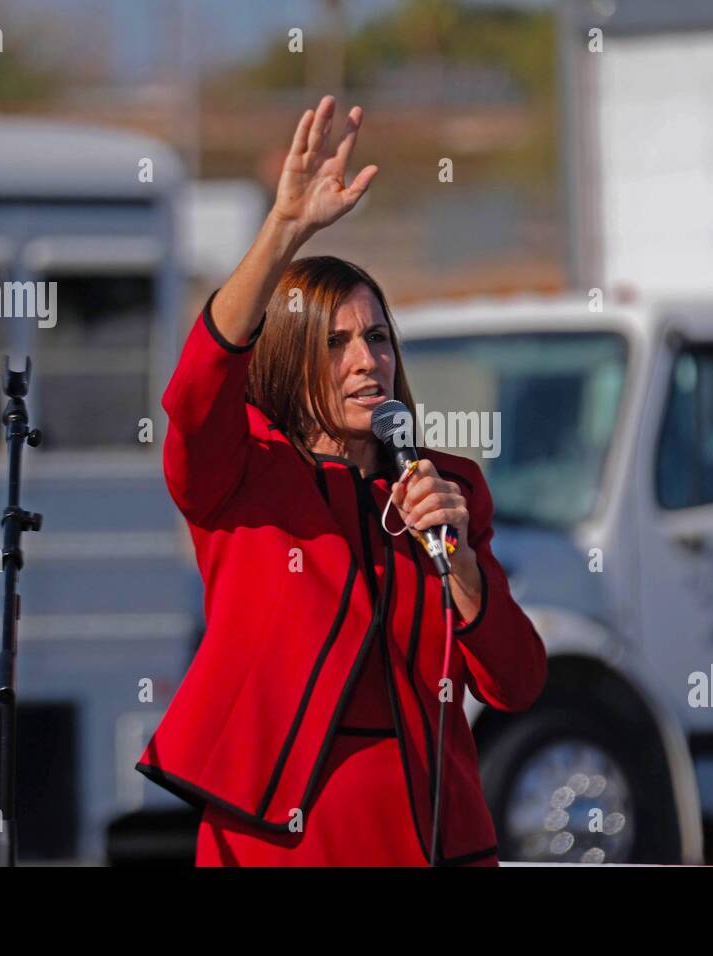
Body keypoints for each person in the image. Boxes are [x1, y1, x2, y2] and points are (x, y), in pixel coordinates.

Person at [135, 94, 548, 866]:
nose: (368, 360)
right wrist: (284, 229)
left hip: (433, 838)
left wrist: (460, 562)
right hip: (279, 841)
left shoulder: (446, 486)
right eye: (336, 343)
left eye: (378, 337)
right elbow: (196, 391)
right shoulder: (244, 479)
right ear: (290, 359)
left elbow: (518, 682)